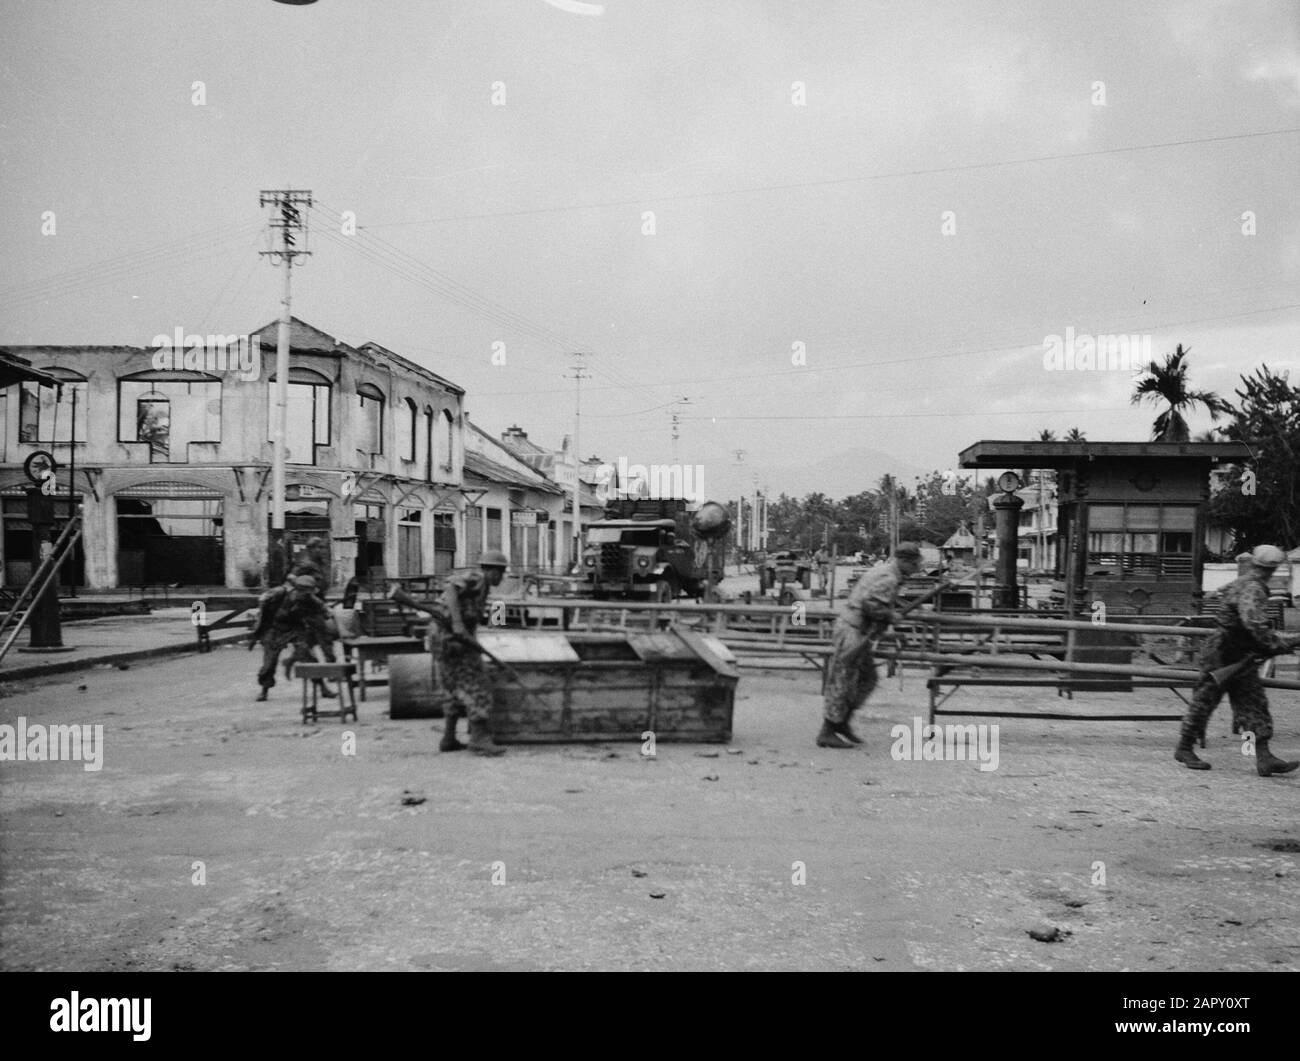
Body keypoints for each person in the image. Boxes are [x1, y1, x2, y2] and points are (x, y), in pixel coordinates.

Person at [1176, 544, 1300, 776]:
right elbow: (1254, 625)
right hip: (1224, 655)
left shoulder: (1243, 581)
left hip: (1238, 655)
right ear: (1272, 570)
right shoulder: (1253, 588)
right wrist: (1280, 644)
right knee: (1205, 701)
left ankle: (1264, 757)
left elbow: (1221, 596)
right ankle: (1184, 748)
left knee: (1253, 705)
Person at [399, 551, 510, 756]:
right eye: (500, 572)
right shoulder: (477, 578)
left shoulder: (483, 588)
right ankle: (479, 739)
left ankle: (449, 737)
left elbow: (470, 617)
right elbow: (450, 588)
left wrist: (470, 636)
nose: (501, 578)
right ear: (490, 570)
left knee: (452, 686)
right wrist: (458, 624)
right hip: (449, 638)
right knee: (479, 684)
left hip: (444, 639)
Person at [818, 542, 923, 749]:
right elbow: (870, 605)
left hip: (857, 631)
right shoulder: (889, 578)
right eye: (913, 565)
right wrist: (890, 615)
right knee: (843, 679)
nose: (915, 570)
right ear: (904, 561)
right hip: (852, 631)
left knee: (867, 678)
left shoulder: (884, 571)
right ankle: (828, 731)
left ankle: (842, 722)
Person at [250, 574, 339, 702]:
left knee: (308, 657)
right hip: (275, 629)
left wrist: (328, 614)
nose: (307, 596)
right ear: (297, 589)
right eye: (305, 593)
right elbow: (262, 601)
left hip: (296, 629)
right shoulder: (279, 593)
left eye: (309, 593)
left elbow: (325, 612)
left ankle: (323, 688)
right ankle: (264, 690)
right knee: (269, 663)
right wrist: (260, 627)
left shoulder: (311, 600)